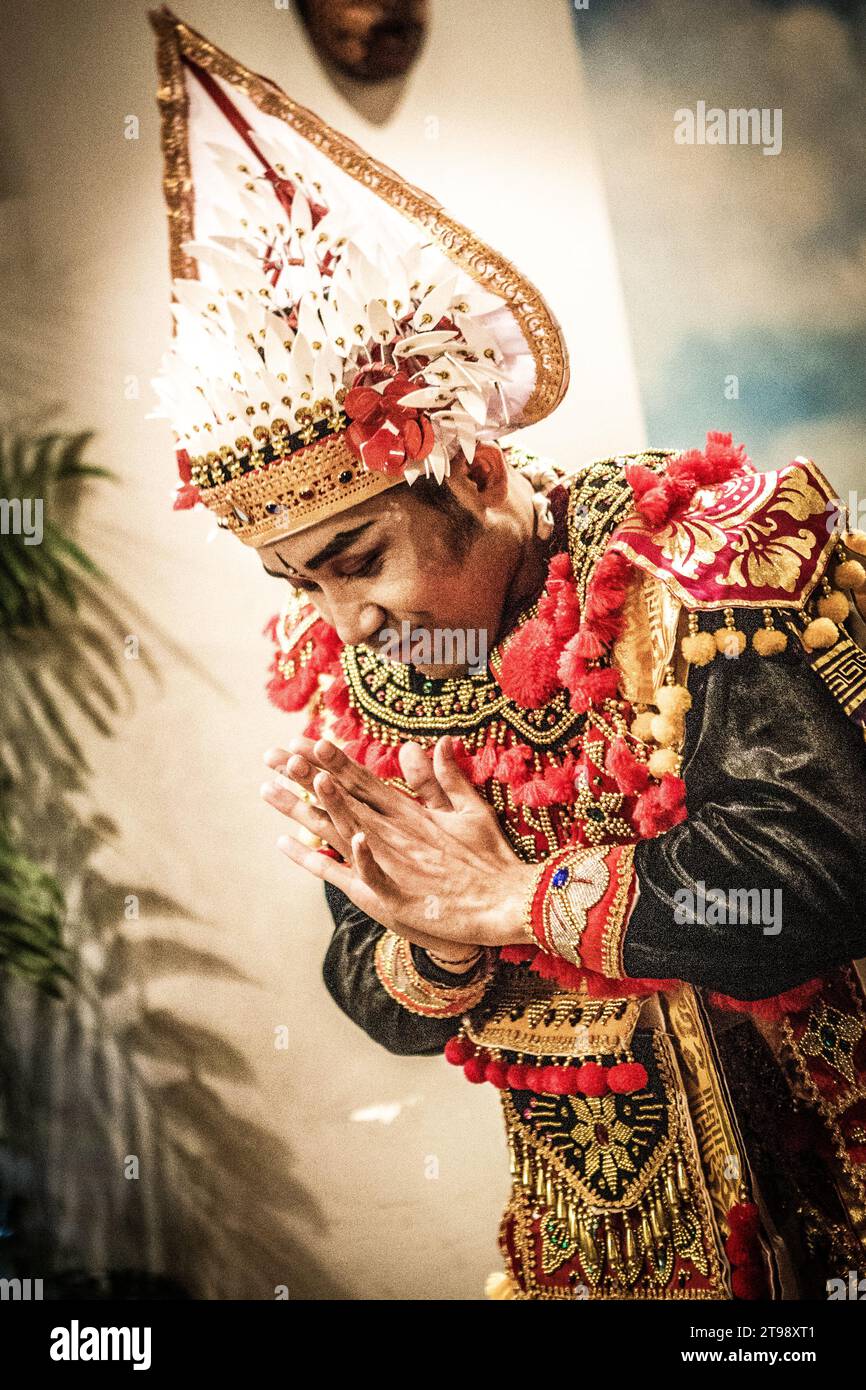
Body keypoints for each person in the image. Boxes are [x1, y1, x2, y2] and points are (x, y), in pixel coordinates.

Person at [151, 9, 866, 1299]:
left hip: (822, 1193)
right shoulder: (367, 688)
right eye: (298, 580)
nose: (339, 621)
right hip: (589, 1235)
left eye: (359, 559)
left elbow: (811, 877)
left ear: (474, 467)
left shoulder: (689, 568)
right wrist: (438, 944)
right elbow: (366, 979)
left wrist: (517, 902)